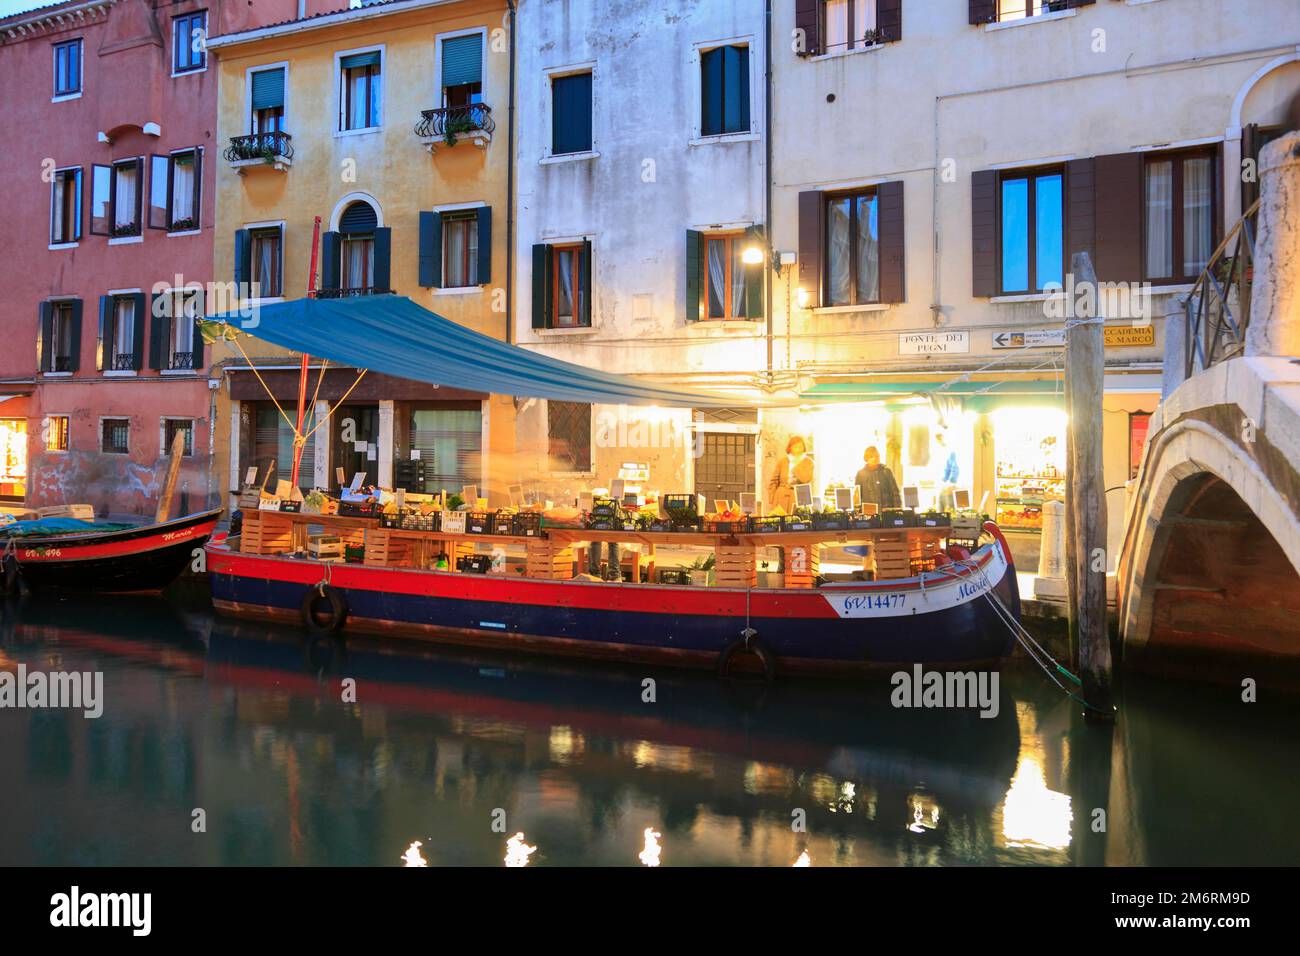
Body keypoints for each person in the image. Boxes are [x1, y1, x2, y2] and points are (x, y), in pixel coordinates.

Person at [768, 435, 815, 514]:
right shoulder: (783, 461)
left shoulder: (808, 462)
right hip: (780, 496)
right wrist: (772, 498)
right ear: (790, 448)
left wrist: (795, 466)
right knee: (779, 521)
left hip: (799, 496)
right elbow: (774, 480)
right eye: (795, 446)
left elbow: (806, 479)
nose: (798, 449)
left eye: (800, 446)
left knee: (796, 521)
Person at [855, 446, 900, 510]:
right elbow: (857, 497)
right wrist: (858, 513)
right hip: (869, 511)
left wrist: (897, 509)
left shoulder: (886, 472)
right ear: (866, 458)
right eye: (872, 456)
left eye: (877, 456)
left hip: (887, 511)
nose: (875, 458)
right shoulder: (861, 474)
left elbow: (895, 492)